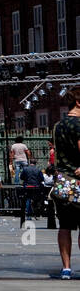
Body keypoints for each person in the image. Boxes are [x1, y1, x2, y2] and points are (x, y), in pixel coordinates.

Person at [53, 89, 80, 277]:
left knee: (64, 226)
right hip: (79, 182)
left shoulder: (58, 125)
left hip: (63, 182)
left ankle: (66, 268)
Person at [20, 160, 44, 225]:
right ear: (35, 163)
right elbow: (42, 179)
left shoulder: (25, 169)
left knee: (28, 199)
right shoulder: (38, 170)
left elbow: (21, 177)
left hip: (27, 186)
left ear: (30, 163)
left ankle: (28, 215)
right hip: (36, 186)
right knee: (36, 200)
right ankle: (36, 213)